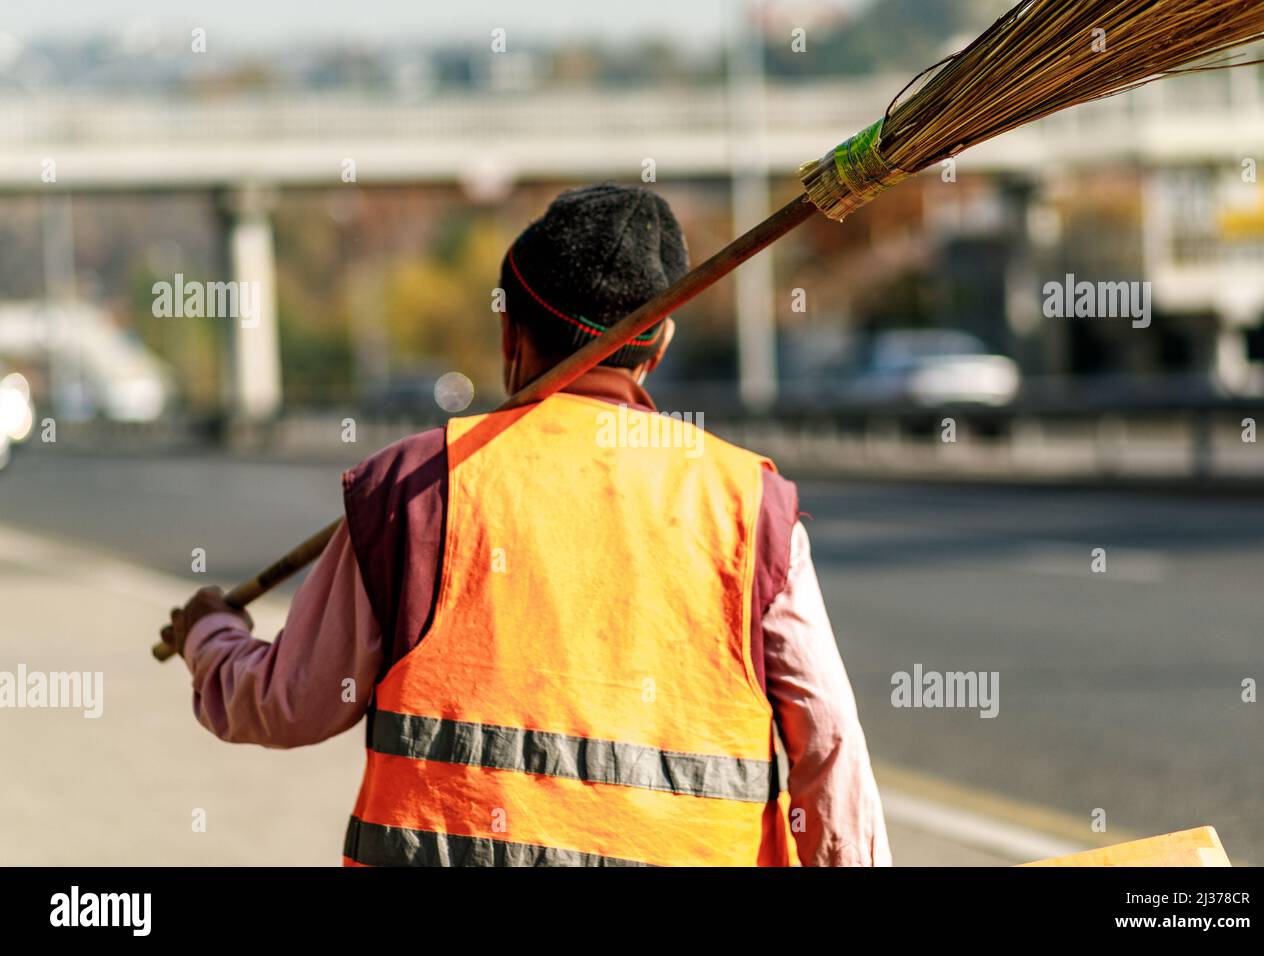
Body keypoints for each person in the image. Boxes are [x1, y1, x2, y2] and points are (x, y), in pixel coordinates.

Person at [163, 183, 890, 867]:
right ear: (659, 346)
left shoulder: (415, 490)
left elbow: (291, 705)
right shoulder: (748, 506)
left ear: (510, 331)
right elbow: (829, 747)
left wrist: (209, 636)